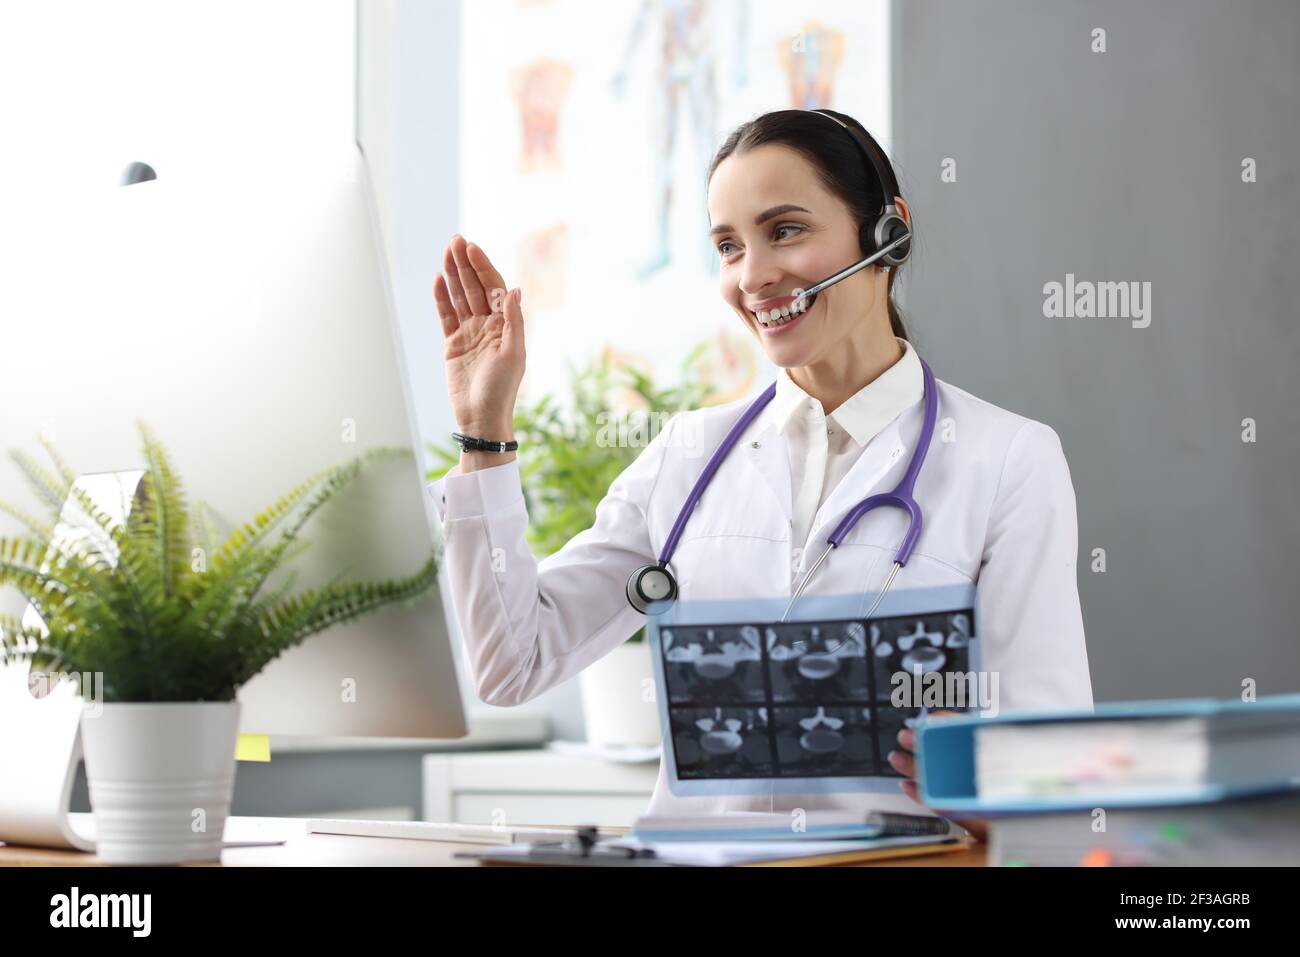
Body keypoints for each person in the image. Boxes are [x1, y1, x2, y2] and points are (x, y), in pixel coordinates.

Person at [429, 109, 1093, 842]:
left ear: (888, 231)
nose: (753, 276)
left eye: (785, 230)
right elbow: (511, 666)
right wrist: (484, 433)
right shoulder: (689, 452)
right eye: (727, 245)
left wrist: (989, 795)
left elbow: (1049, 768)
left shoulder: (1007, 459)